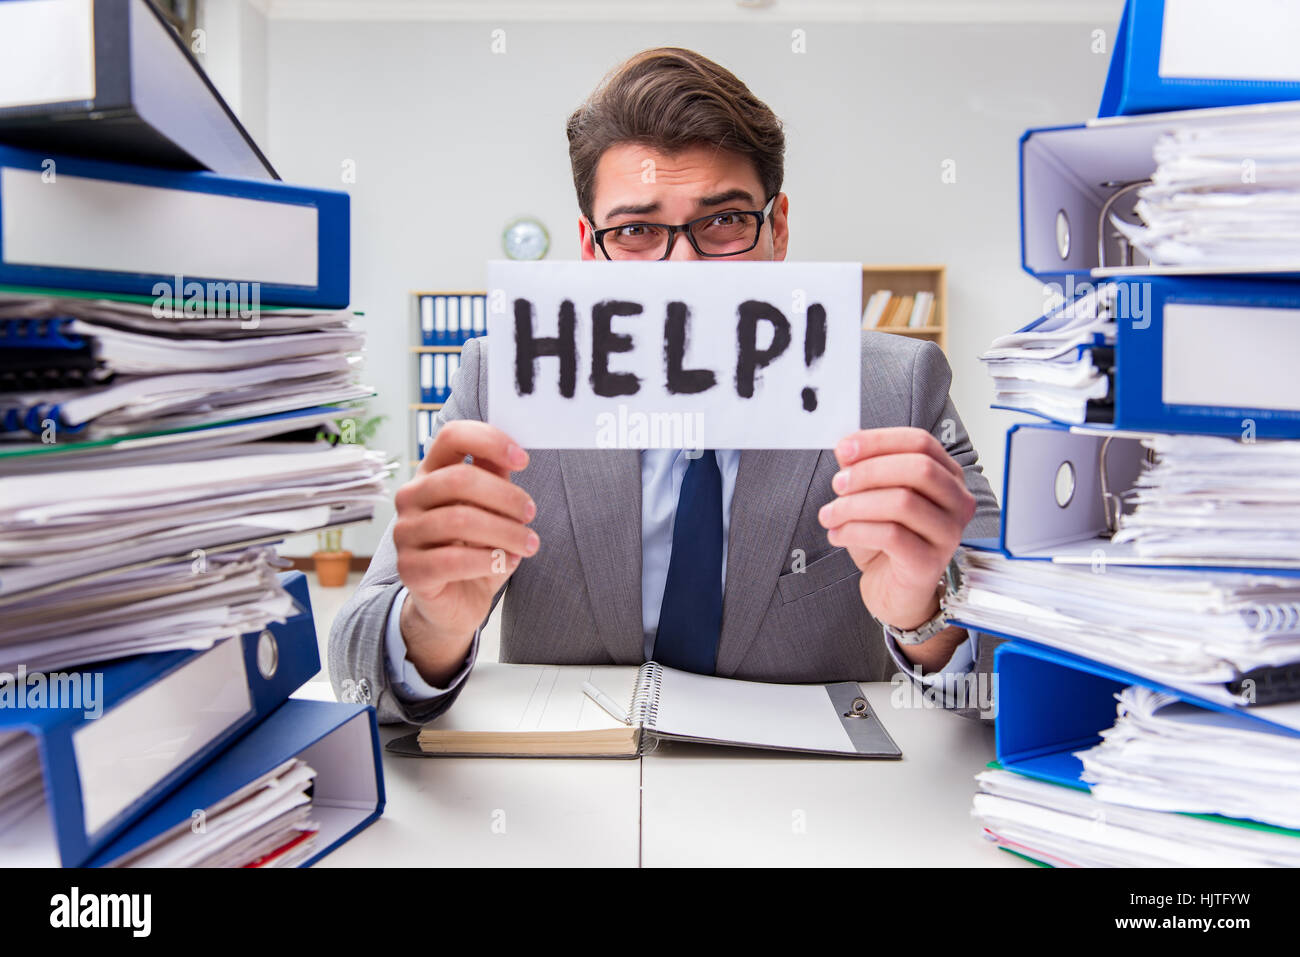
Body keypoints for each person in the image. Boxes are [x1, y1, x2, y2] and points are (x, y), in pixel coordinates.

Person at [329, 47, 1000, 725]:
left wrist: (927, 614)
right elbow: (354, 677)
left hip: (816, 807)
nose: (685, 265)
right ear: (592, 250)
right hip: (568, 804)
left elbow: (1023, 673)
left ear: (779, 229)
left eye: (724, 221)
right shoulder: (503, 385)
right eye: (638, 230)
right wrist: (432, 626)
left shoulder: (897, 388)